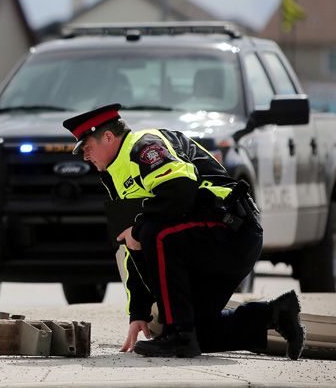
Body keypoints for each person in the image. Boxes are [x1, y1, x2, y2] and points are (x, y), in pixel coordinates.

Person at [63, 103, 305, 359]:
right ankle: (276, 314)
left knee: (155, 233)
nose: (85, 156)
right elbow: (131, 247)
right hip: (208, 240)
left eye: (87, 148)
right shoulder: (116, 175)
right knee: (200, 332)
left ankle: (178, 335)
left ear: (108, 137)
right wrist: (139, 313)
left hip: (230, 232)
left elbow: (180, 189)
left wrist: (140, 228)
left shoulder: (144, 146)